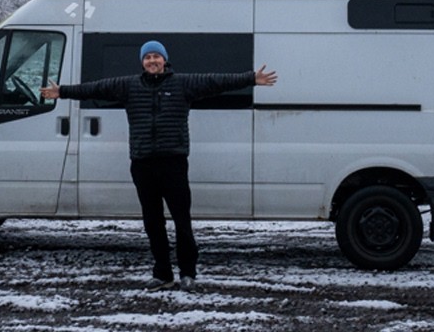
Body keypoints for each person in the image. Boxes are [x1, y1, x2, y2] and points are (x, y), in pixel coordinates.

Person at [41, 39, 277, 292]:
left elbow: (216, 81)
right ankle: (162, 273)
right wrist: (62, 91)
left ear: (164, 60)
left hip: (173, 163)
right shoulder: (128, 85)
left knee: (181, 220)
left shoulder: (182, 84)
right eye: (147, 57)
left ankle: (188, 272)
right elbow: (95, 88)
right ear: (142, 62)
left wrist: (252, 78)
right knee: (152, 221)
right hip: (142, 163)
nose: (152, 61)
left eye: (156, 56)